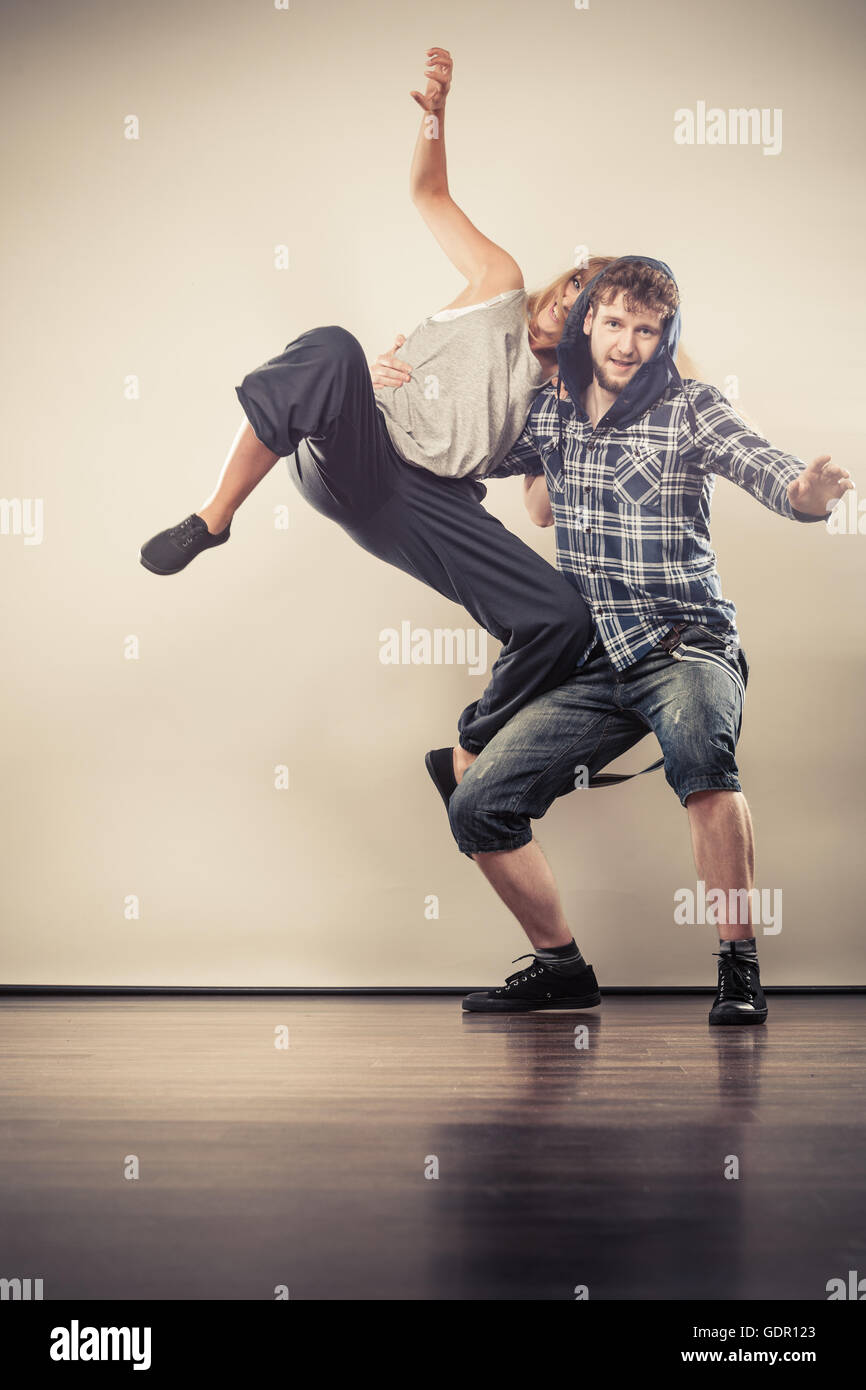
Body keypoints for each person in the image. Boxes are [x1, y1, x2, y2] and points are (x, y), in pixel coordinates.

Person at [139, 48, 611, 770]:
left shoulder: (567, 403)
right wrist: (435, 121)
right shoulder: (500, 283)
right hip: (362, 441)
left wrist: (583, 442)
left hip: (426, 505)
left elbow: (541, 512)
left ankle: (464, 754)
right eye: (574, 282)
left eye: (585, 308)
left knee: (562, 616)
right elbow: (430, 196)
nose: (564, 301)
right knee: (335, 348)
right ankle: (214, 517)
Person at [438, 255, 852, 1026]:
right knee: (478, 806)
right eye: (618, 322)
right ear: (589, 319)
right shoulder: (552, 411)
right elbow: (462, 442)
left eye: (648, 330)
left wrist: (808, 495)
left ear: (665, 337)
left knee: (700, 754)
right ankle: (561, 970)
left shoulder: (691, 408)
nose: (629, 343)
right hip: (598, 661)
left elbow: (769, 471)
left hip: (688, 644)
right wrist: (400, 386)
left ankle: (738, 968)